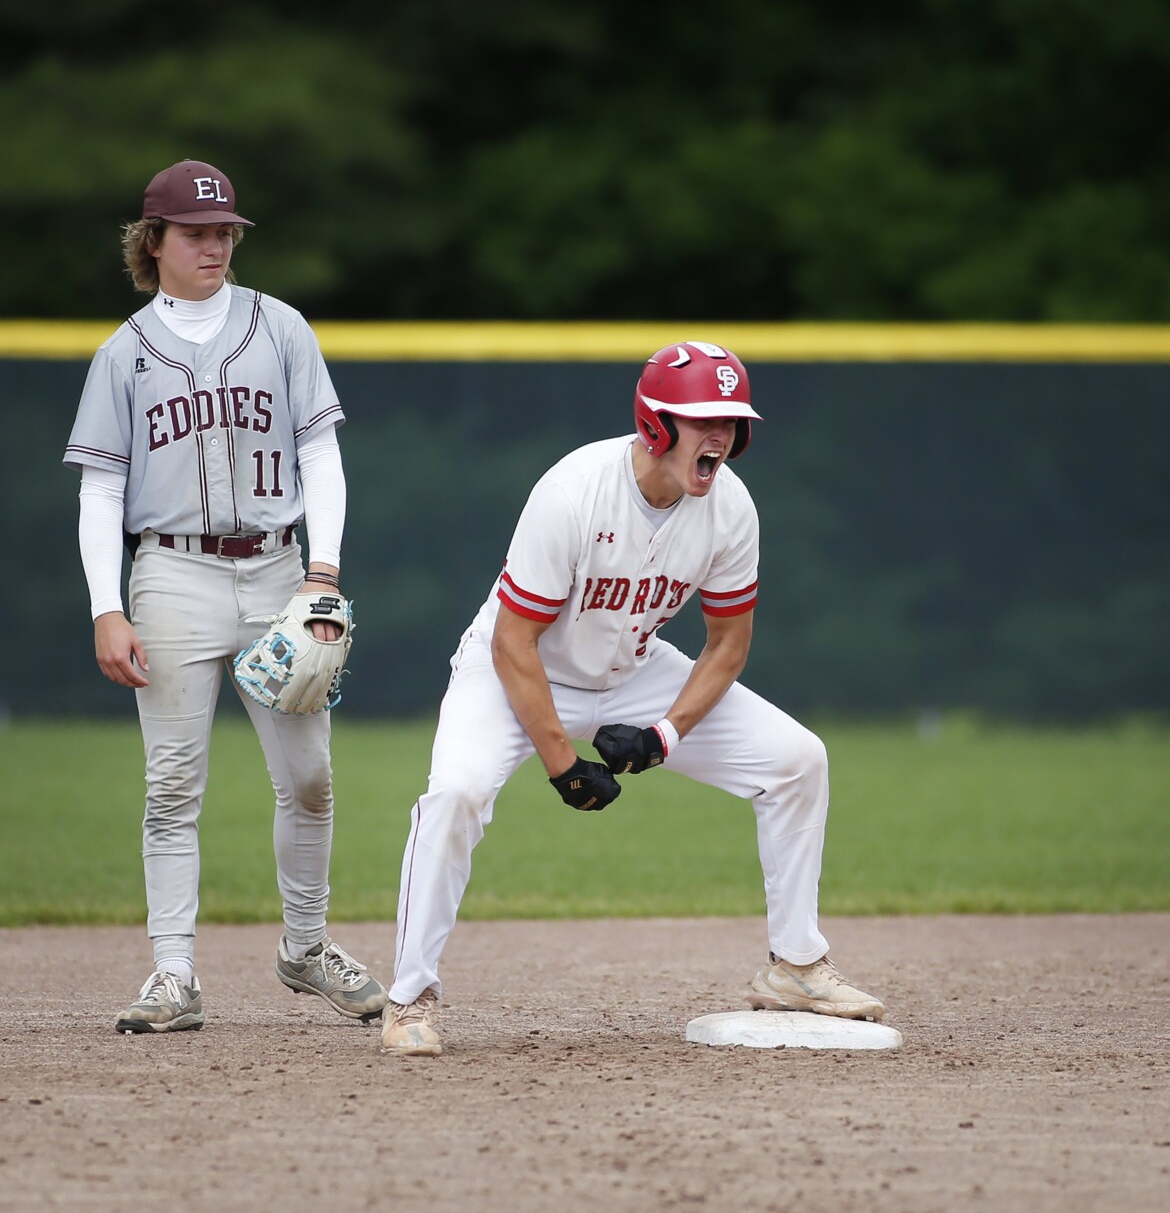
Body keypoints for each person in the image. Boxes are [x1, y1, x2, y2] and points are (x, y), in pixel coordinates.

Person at [380, 339, 884, 1056]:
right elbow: (513, 643)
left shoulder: (731, 510)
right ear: (655, 424)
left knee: (798, 760)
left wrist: (664, 735)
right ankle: (409, 999)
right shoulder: (574, 490)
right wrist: (562, 764)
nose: (722, 435)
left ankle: (796, 967)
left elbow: (727, 648)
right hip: (515, 673)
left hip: (632, 672)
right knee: (456, 793)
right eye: (703, 417)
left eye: (732, 420)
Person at [63, 159, 388, 1033]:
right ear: (154, 242)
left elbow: (321, 454)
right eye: (198, 232)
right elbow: (100, 490)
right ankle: (173, 975)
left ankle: (306, 947)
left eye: (225, 232)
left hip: (282, 571)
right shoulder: (124, 354)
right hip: (170, 573)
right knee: (172, 785)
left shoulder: (279, 328)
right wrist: (107, 604)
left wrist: (324, 571)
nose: (215, 245)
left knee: (310, 778)